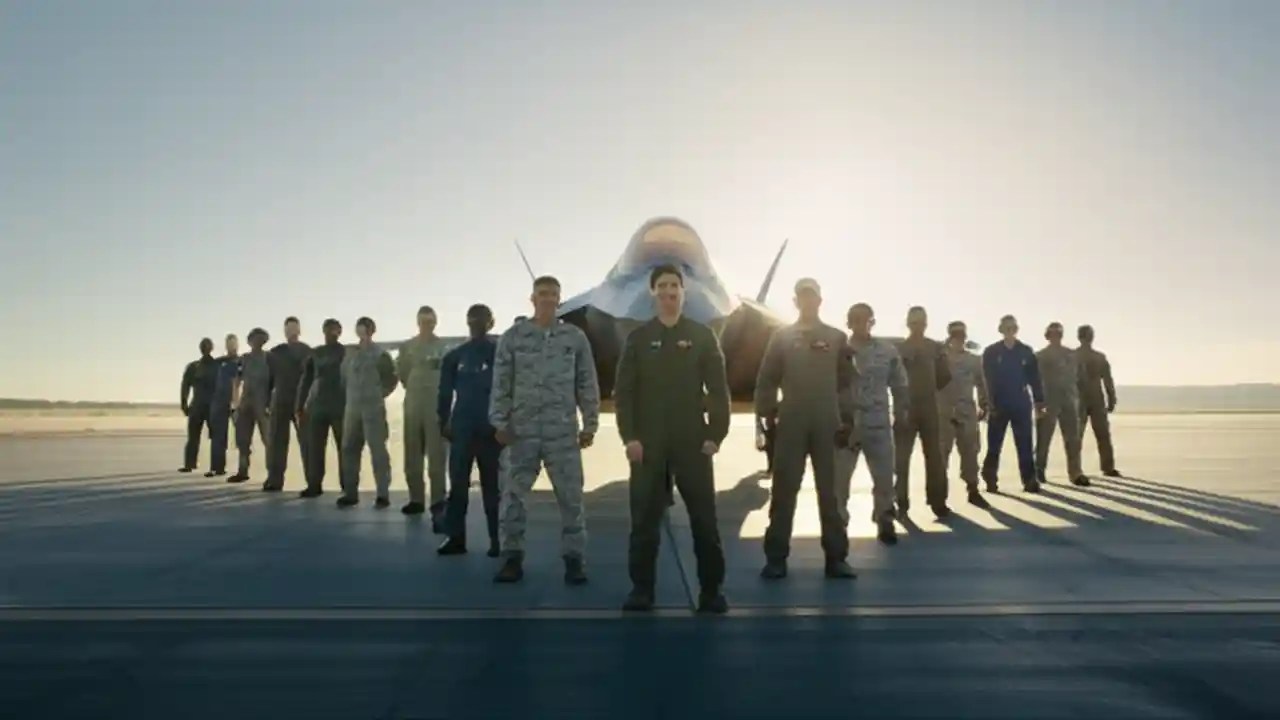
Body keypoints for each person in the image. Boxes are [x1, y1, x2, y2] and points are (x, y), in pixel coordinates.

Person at [614, 263, 729, 614]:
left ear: (683, 291)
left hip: (692, 443)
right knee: (644, 523)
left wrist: (715, 435)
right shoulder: (638, 339)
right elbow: (625, 394)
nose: (668, 292)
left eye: (673, 286)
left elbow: (718, 390)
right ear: (653, 292)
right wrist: (630, 438)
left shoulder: (702, 336)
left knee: (704, 523)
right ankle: (641, 590)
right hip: (648, 446)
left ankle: (711, 591)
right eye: (662, 286)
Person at [490, 276, 601, 586]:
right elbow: (501, 381)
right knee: (513, 497)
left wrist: (590, 422)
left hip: (561, 432)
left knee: (571, 499)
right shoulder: (513, 337)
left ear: (559, 299)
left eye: (553, 294)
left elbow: (586, 380)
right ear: (532, 298)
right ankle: (511, 557)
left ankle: (574, 559)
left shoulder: (574, 338)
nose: (548, 299)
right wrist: (499, 422)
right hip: (521, 432)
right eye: (542, 293)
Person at [755, 278, 857, 580]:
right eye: (802, 296)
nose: (808, 301)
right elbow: (767, 378)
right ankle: (776, 558)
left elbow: (847, 382)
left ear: (820, 301)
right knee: (783, 491)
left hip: (827, 423)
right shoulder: (782, 337)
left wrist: (848, 419)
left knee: (831, 494)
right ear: (795, 301)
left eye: (812, 296)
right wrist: (767, 413)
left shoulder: (837, 338)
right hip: (792, 423)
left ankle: (836, 558)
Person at [834, 303, 910, 545]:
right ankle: (838, 524)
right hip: (846, 425)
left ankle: (885, 519)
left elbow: (899, 383)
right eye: (855, 319)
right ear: (848, 323)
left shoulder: (887, 351)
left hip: (877, 423)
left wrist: (901, 412)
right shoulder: (838, 351)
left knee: (884, 477)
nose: (860, 324)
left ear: (872, 322)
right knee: (839, 481)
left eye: (865, 319)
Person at [436, 304, 503, 558]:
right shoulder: (454, 357)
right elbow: (444, 394)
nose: (477, 324)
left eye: (481, 320)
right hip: (462, 429)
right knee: (458, 486)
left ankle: (498, 539)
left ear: (491, 323)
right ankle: (456, 537)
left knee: (493, 488)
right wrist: (444, 422)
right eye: (473, 320)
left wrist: (506, 424)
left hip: (490, 430)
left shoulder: (501, 355)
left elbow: (509, 390)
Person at [894, 306, 953, 518]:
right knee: (901, 458)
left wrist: (927, 389)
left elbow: (945, 376)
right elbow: (891, 377)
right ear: (908, 324)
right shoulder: (899, 349)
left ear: (926, 324)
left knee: (935, 456)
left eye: (920, 322)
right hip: (905, 408)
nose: (918, 326)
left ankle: (938, 501)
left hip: (928, 406)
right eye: (914, 323)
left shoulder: (935, 348)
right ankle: (901, 501)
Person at [338, 317, 398, 508]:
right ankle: (350, 492)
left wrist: (379, 394)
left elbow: (392, 379)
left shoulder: (380, 355)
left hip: (373, 408)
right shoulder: (350, 354)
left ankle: (383, 493)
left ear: (372, 331)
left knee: (378, 450)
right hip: (352, 408)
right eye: (360, 327)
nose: (362, 331)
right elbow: (343, 379)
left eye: (365, 328)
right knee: (349, 449)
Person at [981, 315, 1046, 493]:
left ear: (1016, 330)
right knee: (994, 445)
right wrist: (988, 403)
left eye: (1012, 328)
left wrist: (1039, 402)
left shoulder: (1025, 351)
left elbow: (1035, 378)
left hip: (1020, 402)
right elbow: (987, 379)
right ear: (1001, 330)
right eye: (1006, 328)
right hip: (999, 403)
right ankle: (990, 477)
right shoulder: (991, 352)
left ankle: (1029, 480)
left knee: (1025, 443)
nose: (1010, 331)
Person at [396, 305, 450, 521]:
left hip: (435, 405)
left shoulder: (443, 348)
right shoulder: (407, 347)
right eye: (423, 321)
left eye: (430, 321)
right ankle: (416, 499)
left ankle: (438, 500)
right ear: (418, 323)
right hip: (413, 404)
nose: (427, 325)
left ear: (435, 323)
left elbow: (448, 376)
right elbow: (402, 373)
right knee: (412, 453)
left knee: (437, 454)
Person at [938, 321, 992, 508]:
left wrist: (984, 405)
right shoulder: (940, 358)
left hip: (967, 412)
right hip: (944, 413)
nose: (958, 339)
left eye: (961, 336)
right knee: (941, 457)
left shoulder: (973, 360)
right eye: (955, 336)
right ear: (950, 337)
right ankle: (940, 498)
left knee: (971, 454)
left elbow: (981, 384)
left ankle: (973, 490)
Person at [1035, 322, 1090, 487]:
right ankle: (1038, 471)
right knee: (1043, 439)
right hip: (1048, 401)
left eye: (1058, 333)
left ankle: (1075, 473)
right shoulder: (1040, 356)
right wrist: (1037, 404)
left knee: (1073, 439)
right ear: (1047, 336)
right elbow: (1034, 381)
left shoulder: (1072, 355)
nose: (1056, 336)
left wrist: (1081, 400)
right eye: (1053, 333)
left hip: (1069, 401)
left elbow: (1081, 378)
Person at [296, 319, 346, 498]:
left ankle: (347, 485)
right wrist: (300, 405)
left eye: (335, 330)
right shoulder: (315, 353)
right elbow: (306, 380)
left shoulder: (345, 352)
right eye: (328, 329)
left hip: (340, 406)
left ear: (340, 332)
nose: (332, 333)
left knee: (344, 447)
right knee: (315, 447)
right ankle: (314, 484)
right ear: (323, 331)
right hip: (317, 406)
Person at [228, 328, 272, 484]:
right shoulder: (244, 359)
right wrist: (235, 405)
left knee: (268, 440)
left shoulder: (269, 359)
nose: (257, 342)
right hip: (246, 402)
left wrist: (271, 403)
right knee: (243, 440)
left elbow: (274, 382)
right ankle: (243, 470)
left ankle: (272, 475)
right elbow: (236, 382)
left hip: (264, 403)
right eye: (254, 339)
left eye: (261, 339)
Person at [1076, 324, 1121, 477]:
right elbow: (1107, 380)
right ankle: (1079, 469)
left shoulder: (1097, 357)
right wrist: (1111, 397)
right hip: (1082, 400)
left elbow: (1107, 379)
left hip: (1092, 400)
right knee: (1080, 437)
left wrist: (1111, 397)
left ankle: (1107, 467)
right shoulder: (1075, 357)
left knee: (1101, 434)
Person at [179, 338, 218, 473]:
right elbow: (185, 386)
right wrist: (184, 403)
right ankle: (190, 464)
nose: (205, 348)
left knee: (215, 438)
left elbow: (224, 386)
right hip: (197, 405)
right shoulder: (193, 367)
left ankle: (216, 466)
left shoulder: (217, 366)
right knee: (193, 437)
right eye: (203, 346)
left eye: (207, 346)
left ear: (211, 348)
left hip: (212, 406)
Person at [205, 334, 240, 478]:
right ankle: (217, 467)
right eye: (228, 343)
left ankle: (243, 469)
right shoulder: (219, 362)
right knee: (218, 436)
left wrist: (236, 402)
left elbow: (240, 382)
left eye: (233, 343)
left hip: (236, 403)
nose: (231, 346)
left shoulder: (241, 361)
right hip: (219, 402)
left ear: (237, 345)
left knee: (242, 436)